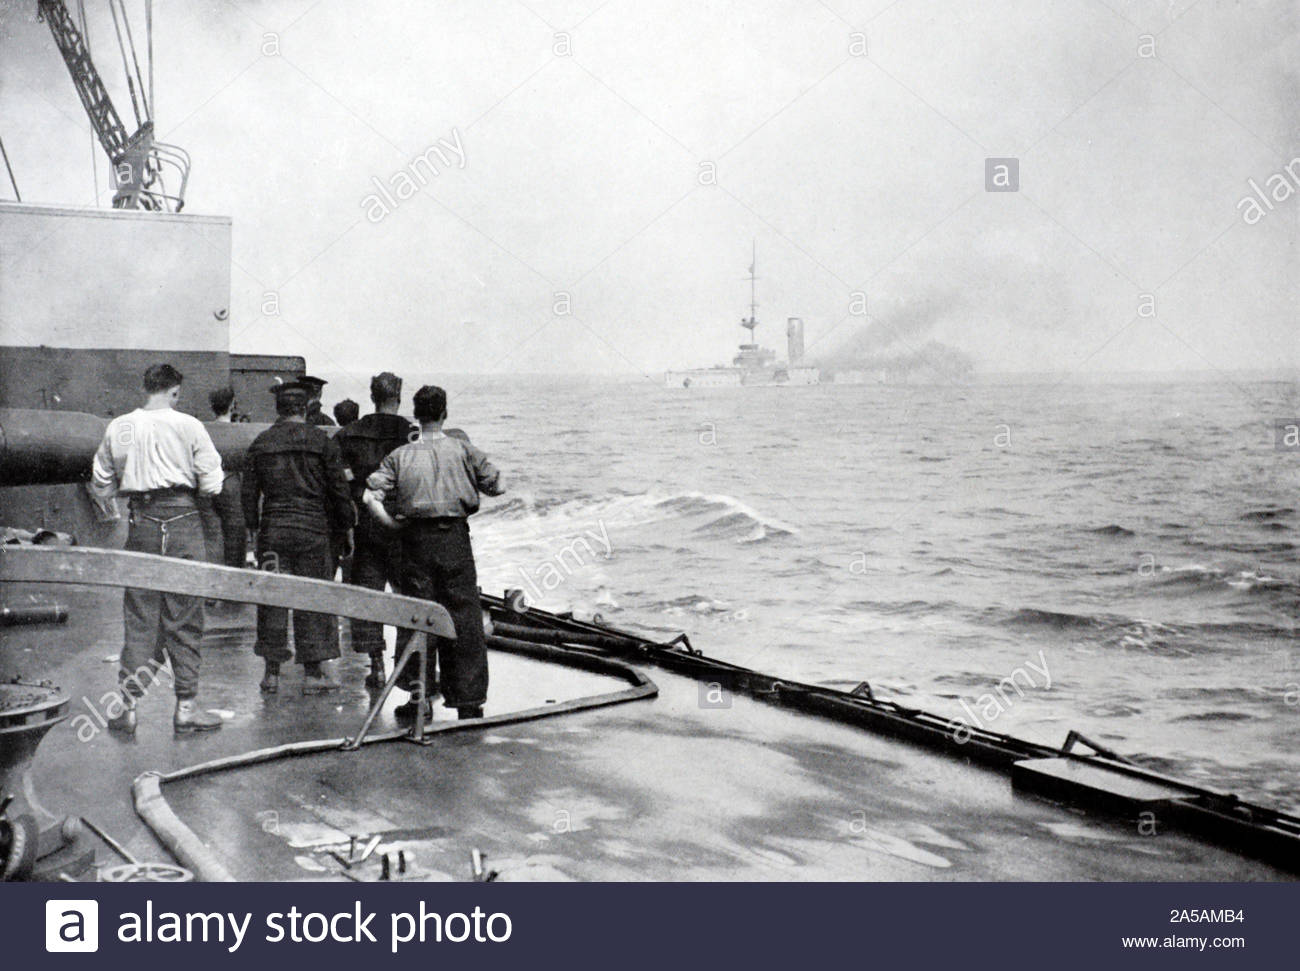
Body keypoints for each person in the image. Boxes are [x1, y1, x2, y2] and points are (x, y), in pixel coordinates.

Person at [90, 363, 225, 734]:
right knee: (185, 618)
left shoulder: (120, 426)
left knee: (140, 618)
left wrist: (127, 491)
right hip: (184, 523)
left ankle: (127, 709)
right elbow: (212, 484)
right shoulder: (190, 426)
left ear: (145, 388)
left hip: (143, 525)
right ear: (175, 391)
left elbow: (100, 480)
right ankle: (185, 709)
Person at [363, 385, 504, 720]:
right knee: (463, 618)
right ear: (444, 414)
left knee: (417, 617)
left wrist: (393, 525)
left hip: (415, 542)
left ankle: (419, 699)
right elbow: (498, 486)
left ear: (417, 415)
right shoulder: (464, 450)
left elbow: (370, 496)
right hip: (455, 541)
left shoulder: (400, 456)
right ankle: (468, 701)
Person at [242, 381, 355, 694]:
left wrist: (252, 530)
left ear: (279, 410)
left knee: (272, 599)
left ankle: (272, 674)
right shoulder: (322, 442)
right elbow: (338, 491)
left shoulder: (261, 443)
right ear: (306, 409)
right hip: (312, 531)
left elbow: (249, 492)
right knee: (314, 597)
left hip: (273, 532)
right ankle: (313, 674)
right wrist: (346, 528)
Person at [334, 373, 416, 689]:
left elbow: (340, 483)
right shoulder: (413, 434)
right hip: (403, 527)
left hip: (364, 523)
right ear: (399, 396)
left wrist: (347, 523)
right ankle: (408, 672)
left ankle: (377, 666)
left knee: (368, 597)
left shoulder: (349, 434)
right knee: (409, 598)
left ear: (372, 397)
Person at [200, 386, 247, 570]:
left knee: (209, 535)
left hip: (205, 484)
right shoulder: (240, 432)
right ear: (233, 405)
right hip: (231, 484)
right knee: (235, 534)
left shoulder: (203, 430)